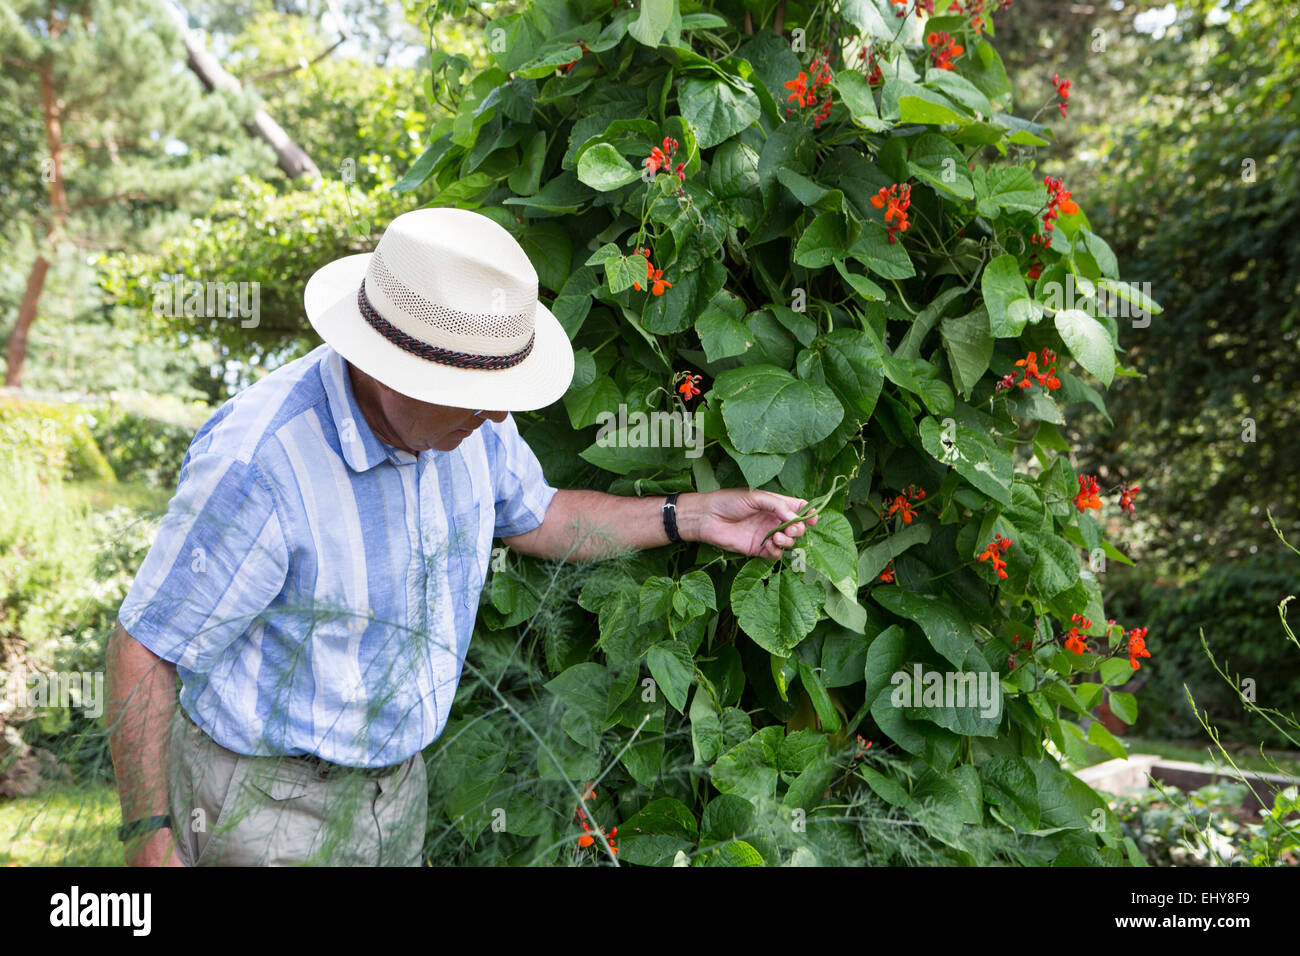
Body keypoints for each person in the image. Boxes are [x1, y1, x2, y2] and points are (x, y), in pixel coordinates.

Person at [106, 207, 817, 866]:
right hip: (263, 808)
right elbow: (146, 647)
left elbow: (543, 515)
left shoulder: (467, 427)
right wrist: (150, 836)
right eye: (479, 390)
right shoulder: (263, 464)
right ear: (389, 370)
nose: (502, 414)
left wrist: (693, 515)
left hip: (396, 793)